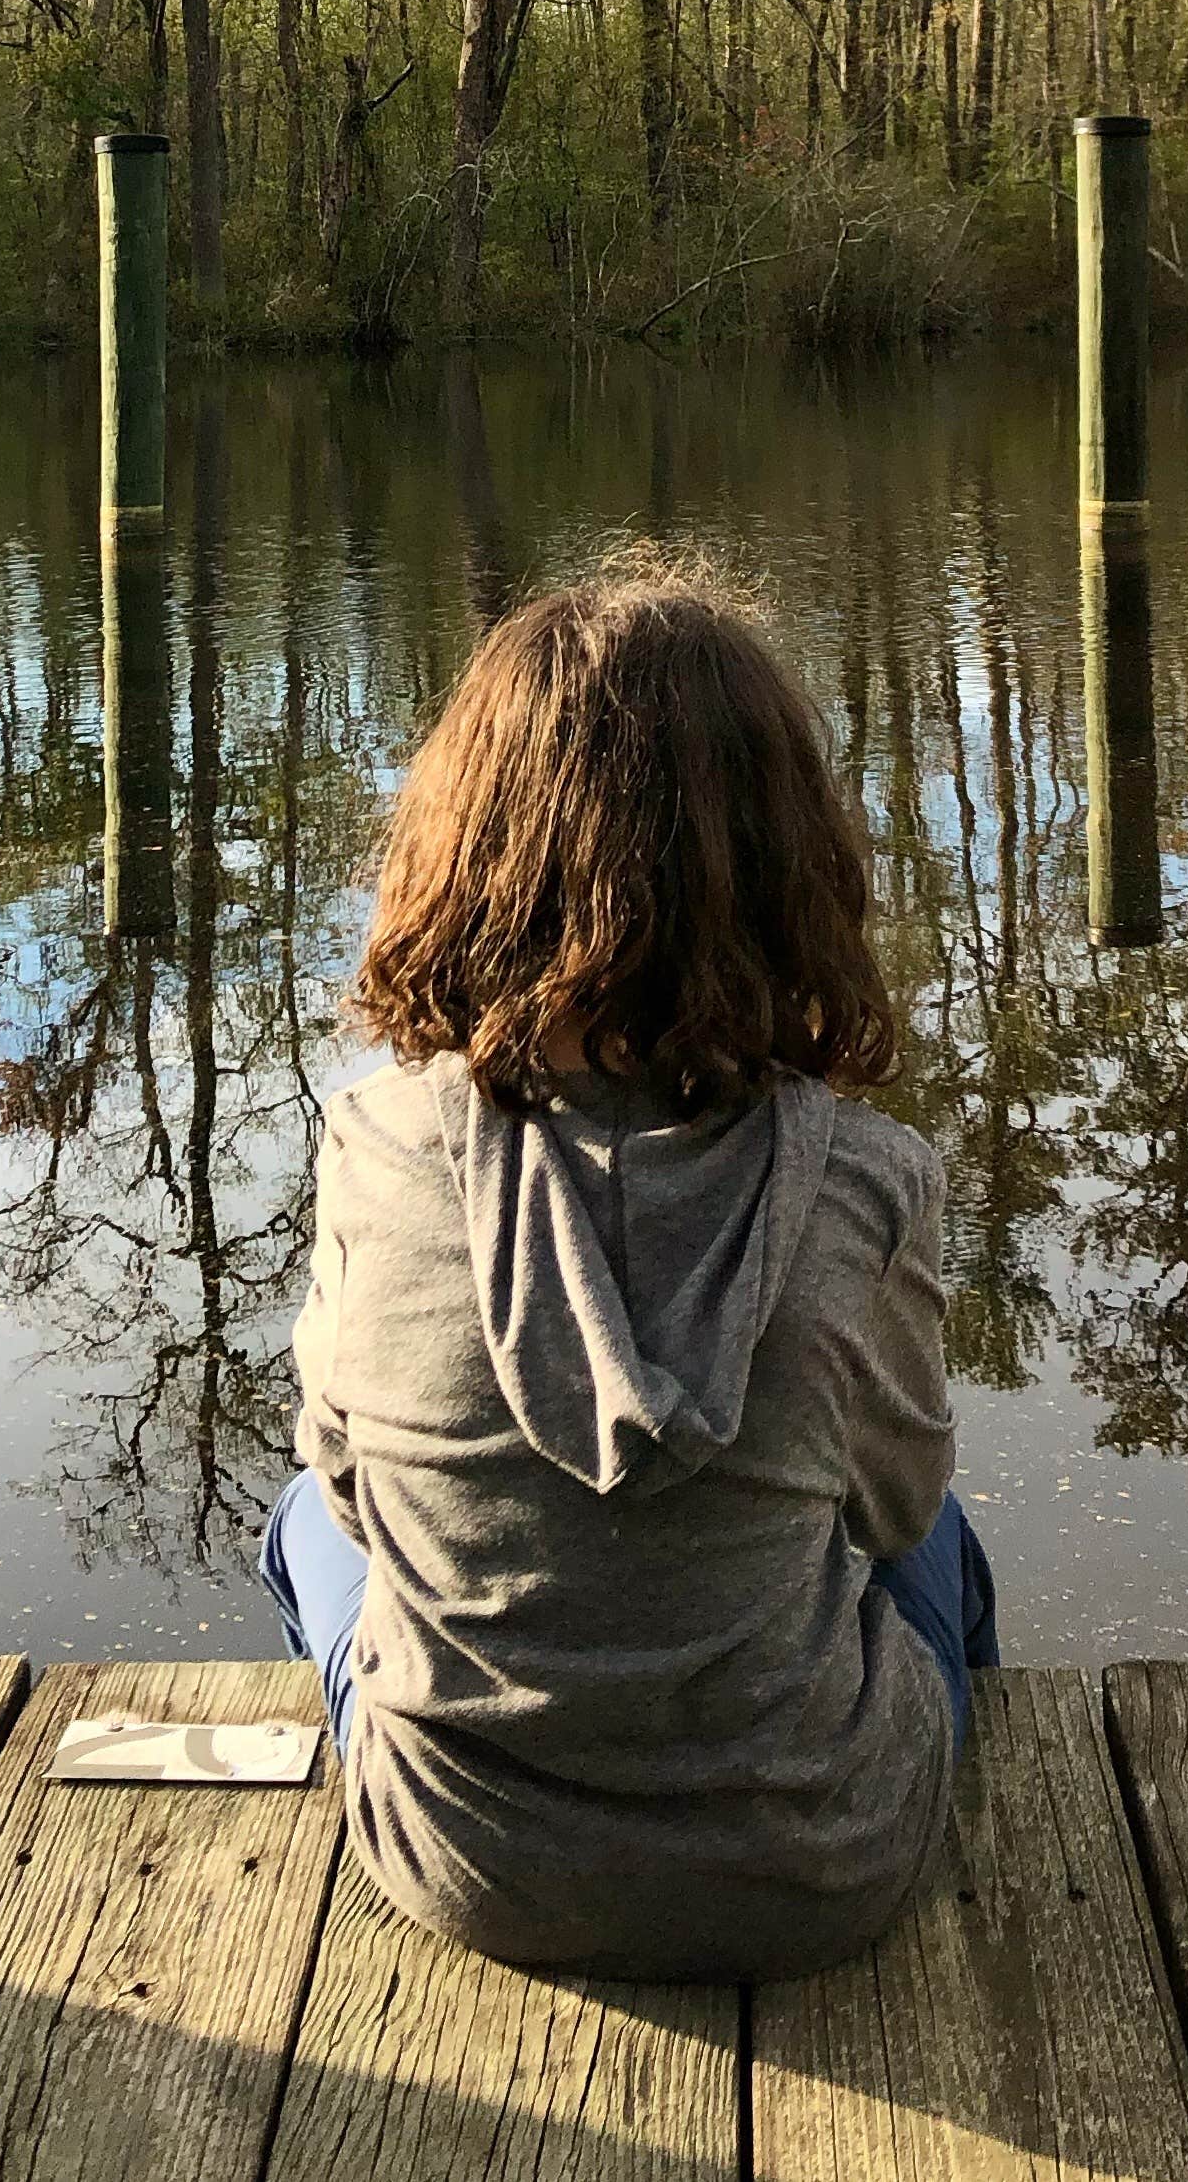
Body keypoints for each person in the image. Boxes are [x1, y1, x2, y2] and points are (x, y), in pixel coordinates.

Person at [259, 557, 998, 1982]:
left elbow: (351, 1480)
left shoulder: (379, 1143)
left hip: (466, 1869)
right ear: (792, 864)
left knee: (302, 1513)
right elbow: (897, 1508)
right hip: (823, 1870)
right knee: (944, 1543)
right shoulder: (864, 1178)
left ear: (465, 850)